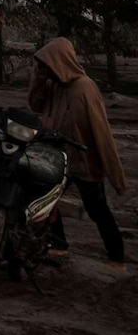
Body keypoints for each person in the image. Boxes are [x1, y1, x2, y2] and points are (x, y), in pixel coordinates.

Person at [30, 37, 127, 270]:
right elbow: (36, 104)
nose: (46, 68)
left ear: (61, 61)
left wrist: (115, 176)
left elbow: (101, 131)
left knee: (97, 209)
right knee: (46, 200)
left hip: (84, 160)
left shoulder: (85, 88)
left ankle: (117, 256)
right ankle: (60, 243)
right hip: (55, 157)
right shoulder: (51, 86)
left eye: (49, 63)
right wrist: (40, 78)